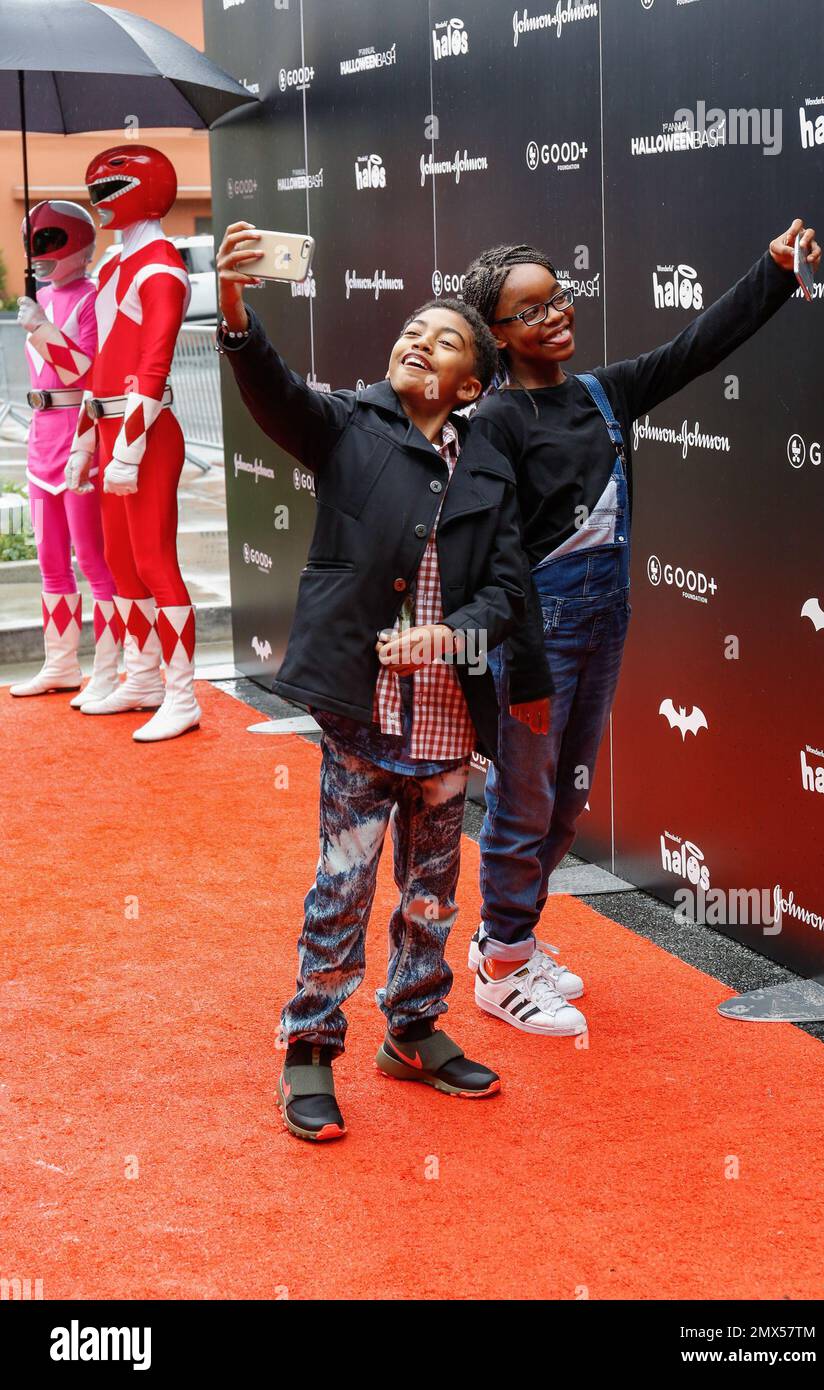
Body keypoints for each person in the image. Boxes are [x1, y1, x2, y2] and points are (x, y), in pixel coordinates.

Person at [460, 218, 822, 1037]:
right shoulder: (496, 422)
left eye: (558, 297)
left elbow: (697, 348)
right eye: (529, 310)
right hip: (536, 639)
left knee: (564, 805)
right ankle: (502, 967)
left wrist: (770, 271)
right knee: (522, 804)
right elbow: (495, 553)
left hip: (603, 624)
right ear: (496, 333)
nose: (554, 314)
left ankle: (503, 937)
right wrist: (520, 663)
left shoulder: (603, 391)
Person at [216, 220, 530, 1142]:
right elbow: (271, 392)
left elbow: (508, 591)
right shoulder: (349, 423)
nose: (416, 344)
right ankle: (309, 1049)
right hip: (364, 717)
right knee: (343, 887)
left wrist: (447, 637)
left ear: (471, 384)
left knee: (433, 894)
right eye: (410, 331)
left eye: (443, 341)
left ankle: (414, 1029)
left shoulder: (487, 466)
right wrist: (235, 309)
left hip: (446, 727)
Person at [65, 145, 199, 742]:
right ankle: (142, 677)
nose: (98, 199)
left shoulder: (161, 263)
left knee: (153, 560)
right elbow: (99, 365)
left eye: (109, 186)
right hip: (113, 425)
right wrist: (85, 443)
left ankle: (182, 692)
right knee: (121, 562)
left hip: (146, 432)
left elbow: (155, 360)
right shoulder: (117, 267)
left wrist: (129, 446)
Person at [11, 201, 120, 704]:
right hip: (41, 439)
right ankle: (60, 664)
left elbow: (87, 372)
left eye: (48, 243)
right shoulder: (41, 299)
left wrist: (41, 329)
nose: (39, 256)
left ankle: (108, 669)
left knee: (95, 561)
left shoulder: (92, 299)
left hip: (81, 435)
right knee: (50, 560)